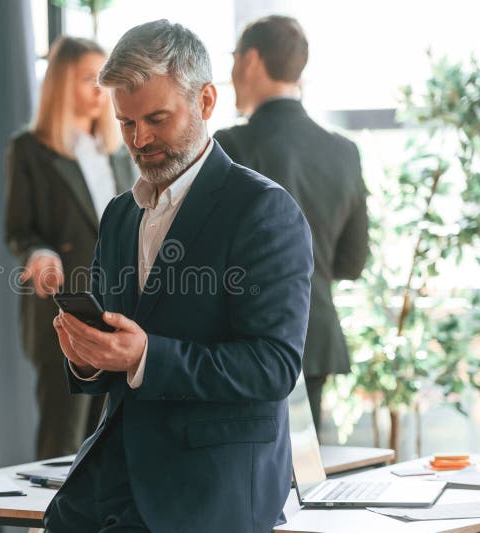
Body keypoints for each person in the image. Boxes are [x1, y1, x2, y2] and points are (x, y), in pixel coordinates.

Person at [46, 20, 313, 532]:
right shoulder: (120, 215)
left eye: (157, 118)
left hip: (207, 489)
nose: (139, 139)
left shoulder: (263, 211)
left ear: (206, 101)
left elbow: (273, 367)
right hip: (111, 484)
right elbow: (115, 351)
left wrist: (145, 356)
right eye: (126, 122)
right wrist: (87, 357)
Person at [214, 15, 368, 434]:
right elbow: (353, 261)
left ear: (250, 60)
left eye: (233, 59)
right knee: (305, 468)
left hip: (242, 345)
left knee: (248, 468)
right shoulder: (344, 151)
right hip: (314, 334)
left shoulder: (229, 146)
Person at [5, 36, 136, 460]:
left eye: (103, 79)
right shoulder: (30, 150)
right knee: (63, 437)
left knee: (110, 437)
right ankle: (52, 505)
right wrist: (40, 255)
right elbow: (19, 230)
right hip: (63, 306)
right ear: (61, 84)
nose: (99, 89)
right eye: (87, 79)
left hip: (117, 308)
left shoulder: (119, 153)